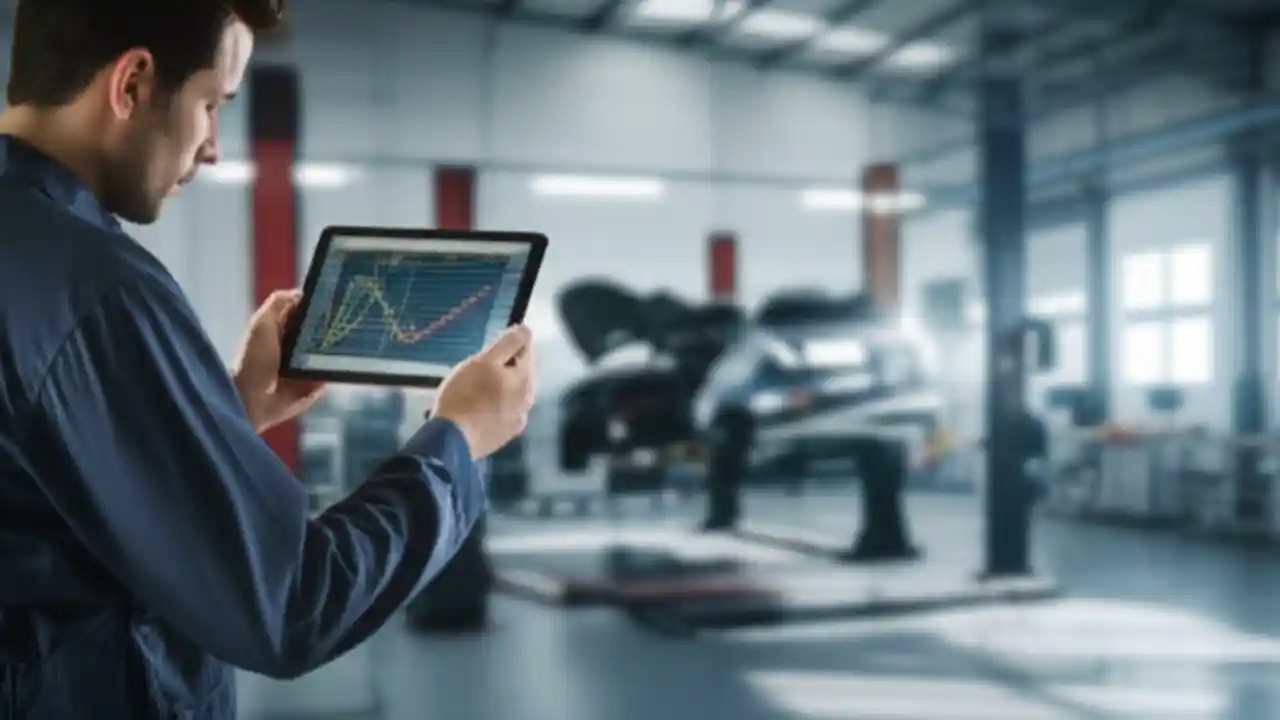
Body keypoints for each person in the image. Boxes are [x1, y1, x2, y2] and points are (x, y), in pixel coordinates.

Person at [0, 1, 536, 717]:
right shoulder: (100, 287)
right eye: (211, 104)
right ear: (130, 83)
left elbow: (42, 484)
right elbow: (290, 604)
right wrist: (459, 440)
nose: (214, 146)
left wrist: (229, 408)